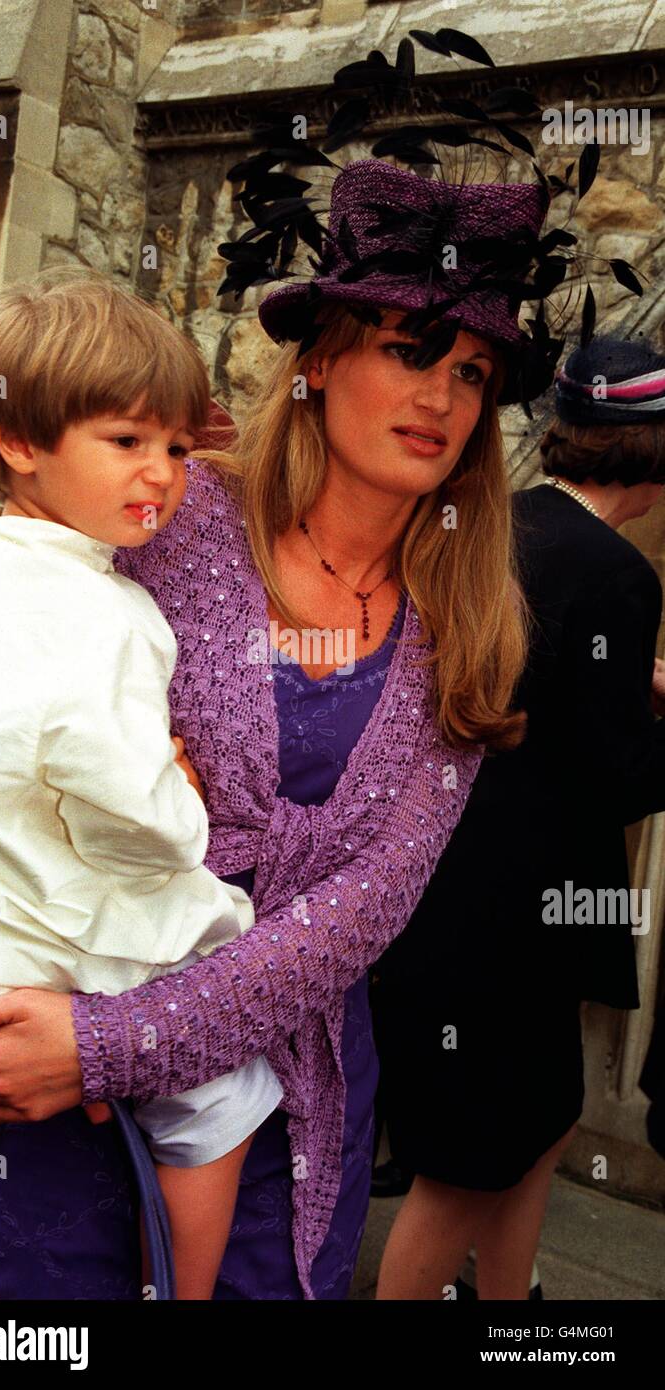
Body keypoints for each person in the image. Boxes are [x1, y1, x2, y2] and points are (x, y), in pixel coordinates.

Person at [0, 30, 638, 1299]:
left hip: (283, 1103)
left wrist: (117, 1041)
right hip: (48, 1073)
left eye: (471, 371)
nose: (440, 394)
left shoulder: (469, 624)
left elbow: (352, 919)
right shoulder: (173, 517)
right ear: (317, 360)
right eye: (407, 348)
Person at [0, 271, 283, 1299]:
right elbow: (135, 810)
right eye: (126, 441)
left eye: (177, 447)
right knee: (224, 1094)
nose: (165, 474)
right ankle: (179, 1283)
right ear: (20, 441)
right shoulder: (108, 614)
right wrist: (184, 800)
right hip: (89, 929)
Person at [372, 333, 665, 1300]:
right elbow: (614, 776)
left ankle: (511, 1310)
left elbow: (538, 706)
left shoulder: (492, 524)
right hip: (516, 924)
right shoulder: (617, 574)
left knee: (538, 1131)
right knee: (465, 1171)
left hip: (444, 894)